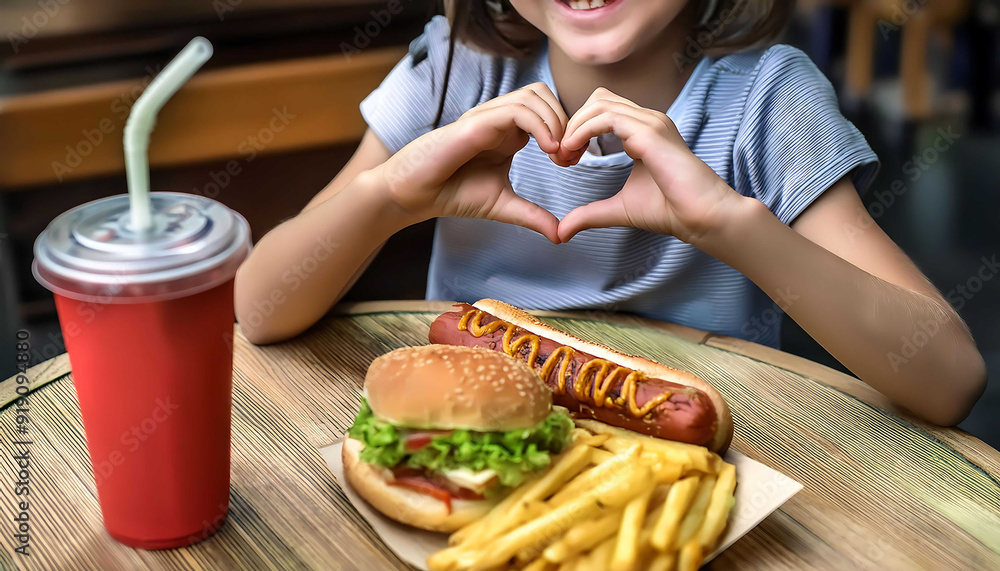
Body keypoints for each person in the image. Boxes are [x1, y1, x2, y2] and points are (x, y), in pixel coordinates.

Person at [235, 0, 986, 425]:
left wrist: (729, 223)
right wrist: (388, 196)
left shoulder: (770, 99)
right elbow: (260, 306)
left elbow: (949, 378)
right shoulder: (458, 68)